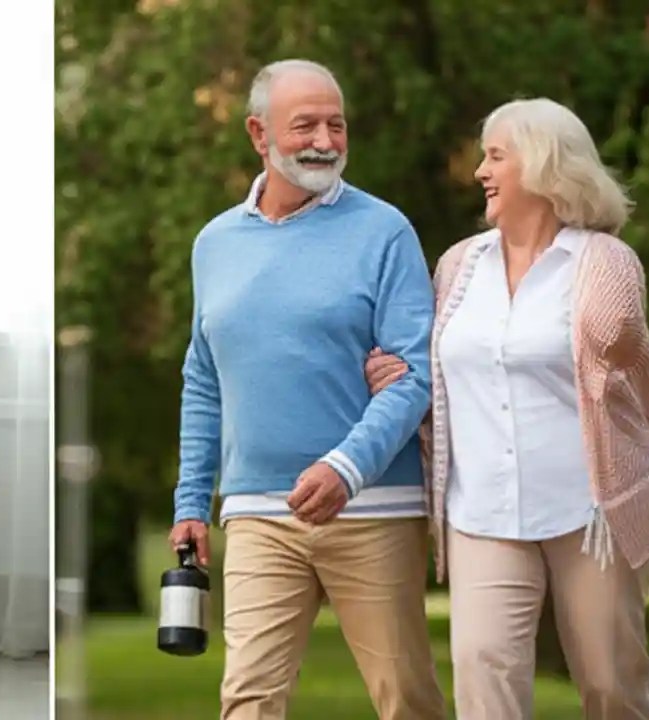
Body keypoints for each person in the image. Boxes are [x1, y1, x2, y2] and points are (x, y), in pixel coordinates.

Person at [366, 97, 649, 720]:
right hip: (481, 509)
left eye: (496, 156)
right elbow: (440, 376)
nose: (480, 171)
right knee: (483, 680)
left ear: (545, 166)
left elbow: (624, 351)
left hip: (589, 511)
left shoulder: (603, 262)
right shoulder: (457, 266)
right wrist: (400, 376)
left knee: (611, 684)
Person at [168, 58, 446, 720]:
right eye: (306, 125)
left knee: (406, 699)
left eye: (337, 123)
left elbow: (414, 377)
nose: (325, 139)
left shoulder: (384, 231)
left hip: (374, 508)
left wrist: (345, 468)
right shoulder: (215, 244)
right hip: (258, 512)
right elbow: (204, 380)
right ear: (258, 134)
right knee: (247, 699)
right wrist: (189, 500)